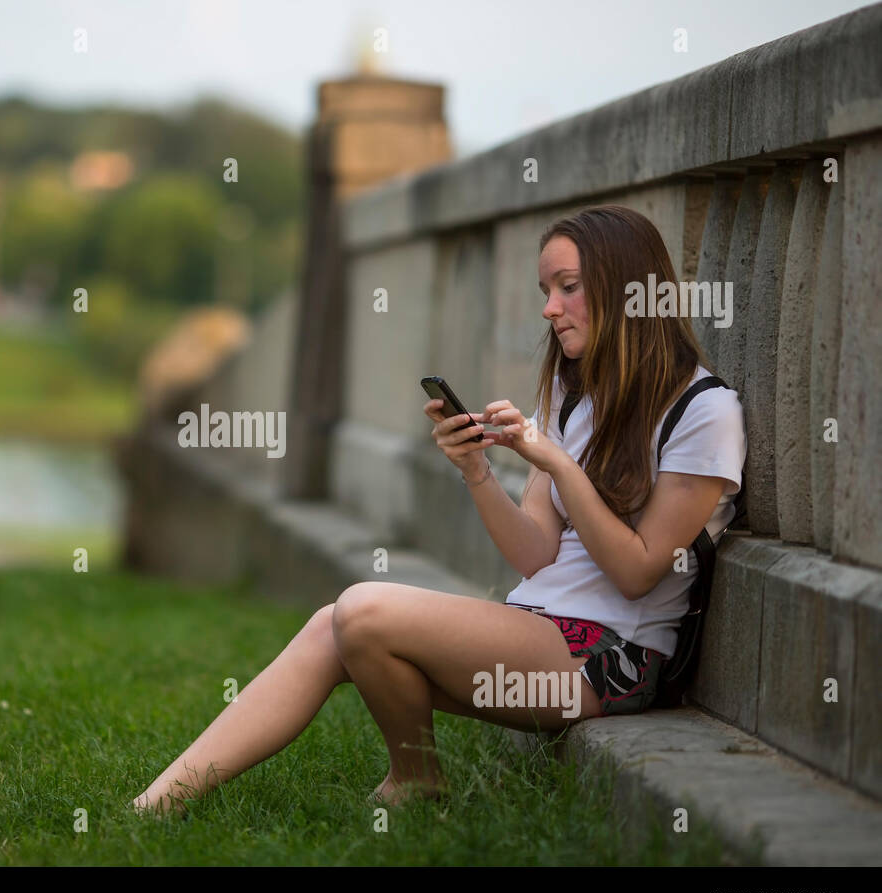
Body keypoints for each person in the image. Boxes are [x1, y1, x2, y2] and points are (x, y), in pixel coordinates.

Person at [132, 204, 747, 816]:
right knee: (332, 625)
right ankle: (158, 803)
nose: (549, 309)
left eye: (568, 288)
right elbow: (536, 554)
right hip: (542, 628)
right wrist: (476, 470)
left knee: (364, 610)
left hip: (612, 660)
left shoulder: (703, 410)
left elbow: (640, 572)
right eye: (545, 290)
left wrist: (556, 461)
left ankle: (415, 779)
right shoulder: (577, 392)